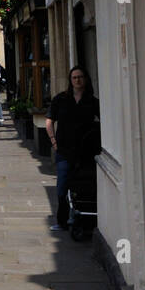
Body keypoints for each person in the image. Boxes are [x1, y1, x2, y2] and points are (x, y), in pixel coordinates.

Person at [46, 66, 101, 232]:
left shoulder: (92, 101)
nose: (77, 80)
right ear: (70, 81)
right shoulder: (61, 99)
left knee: (84, 185)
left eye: (80, 77)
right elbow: (49, 121)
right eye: (74, 77)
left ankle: (83, 217)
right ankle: (62, 221)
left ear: (86, 79)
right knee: (62, 187)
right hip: (64, 150)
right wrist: (54, 141)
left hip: (86, 152)